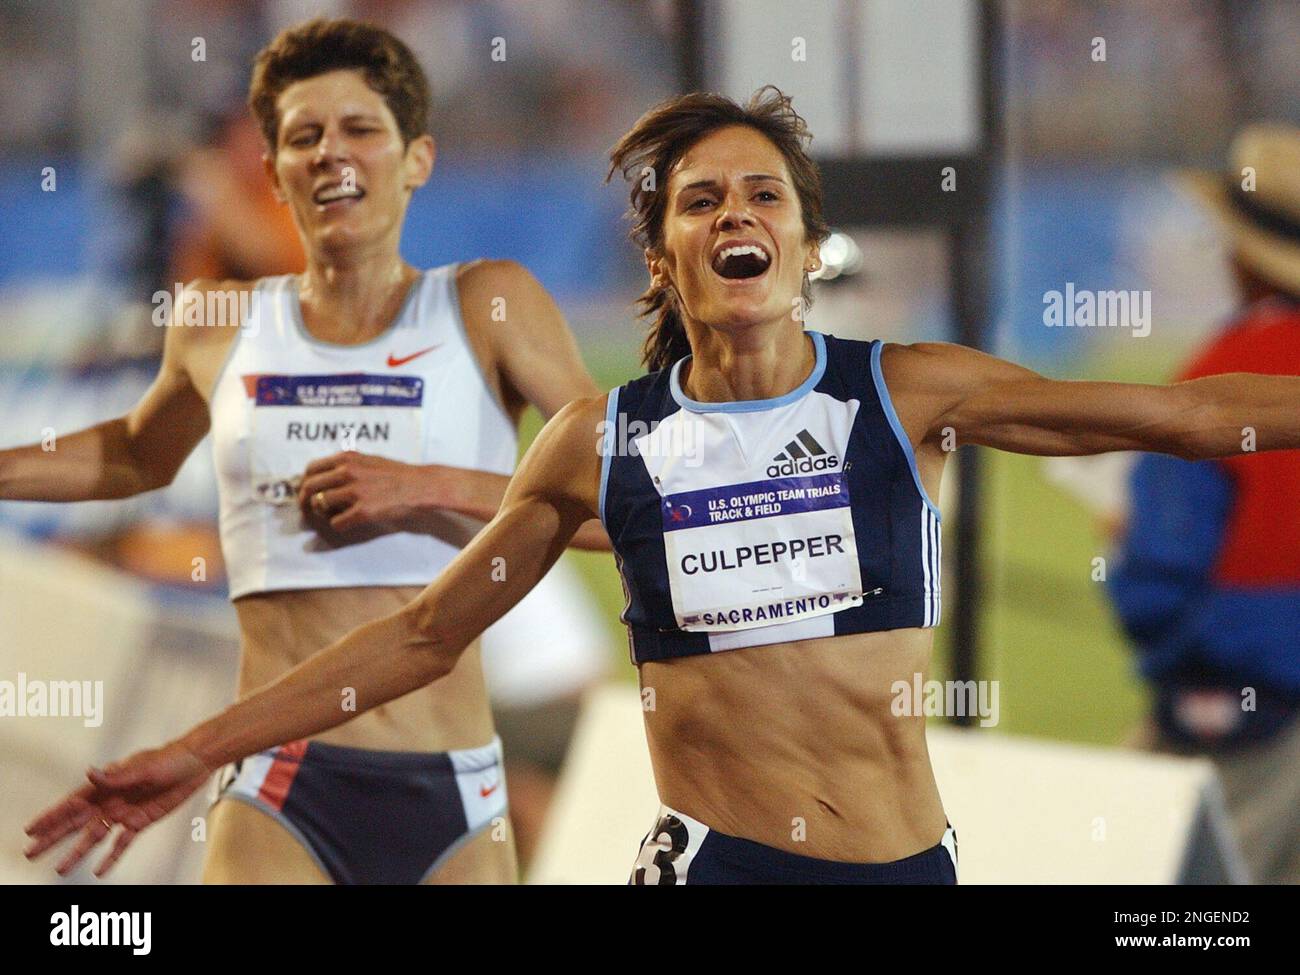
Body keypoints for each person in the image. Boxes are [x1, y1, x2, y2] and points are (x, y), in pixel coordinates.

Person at [24, 86, 1300, 885]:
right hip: (717, 866)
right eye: (701, 199)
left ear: (800, 240)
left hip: (908, 865)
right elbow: (419, 636)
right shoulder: (599, 440)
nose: (734, 212)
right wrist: (193, 751)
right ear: (665, 247)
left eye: (763, 193)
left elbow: (1190, 417)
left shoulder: (906, 391)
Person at [6, 17, 609, 885]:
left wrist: (426, 486)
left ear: (418, 159)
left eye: (361, 129)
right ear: (275, 173)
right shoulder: (218, 323)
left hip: (453, 781)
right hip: (278, 780)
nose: (332, 154)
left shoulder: (490, 305)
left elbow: (624, 500)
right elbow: (133, 456)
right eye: (302, 137)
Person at [1107, 123, 1300, 884]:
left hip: (1256, 723)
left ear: (1239, 254)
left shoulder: (1215, 387)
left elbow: (1157, 589)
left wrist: (1128, 553)